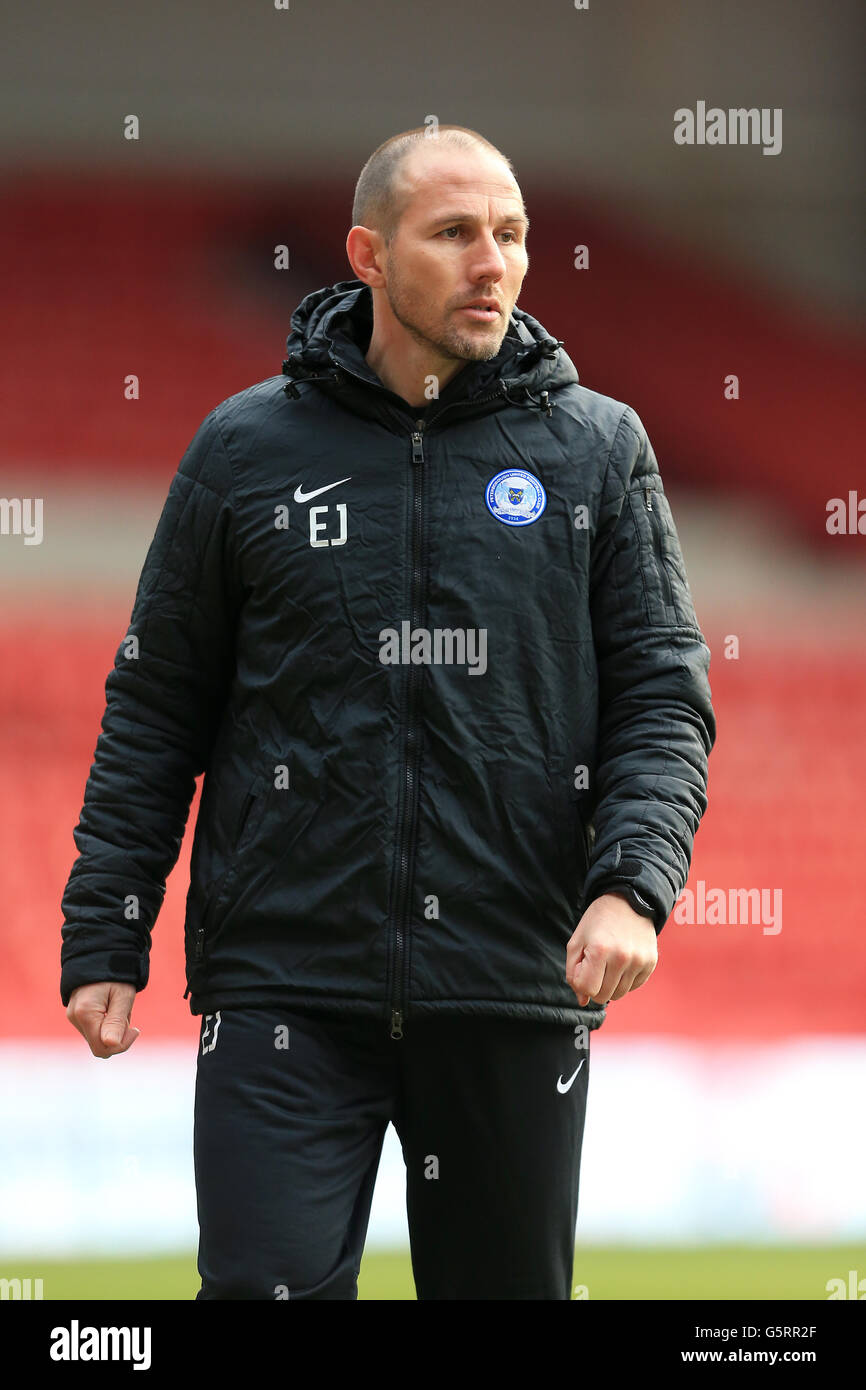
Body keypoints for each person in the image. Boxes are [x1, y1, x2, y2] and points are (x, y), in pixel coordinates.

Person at [61, 124, 716, 1300]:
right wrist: (109, 929)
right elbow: (158, 703)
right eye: (454, 232)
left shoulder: (596, 451)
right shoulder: (244, 449)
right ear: (367, 251)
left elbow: (662, 694)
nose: (492, 262)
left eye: (510, 235)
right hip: (286, 983)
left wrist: (631, 882)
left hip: (510, 979)